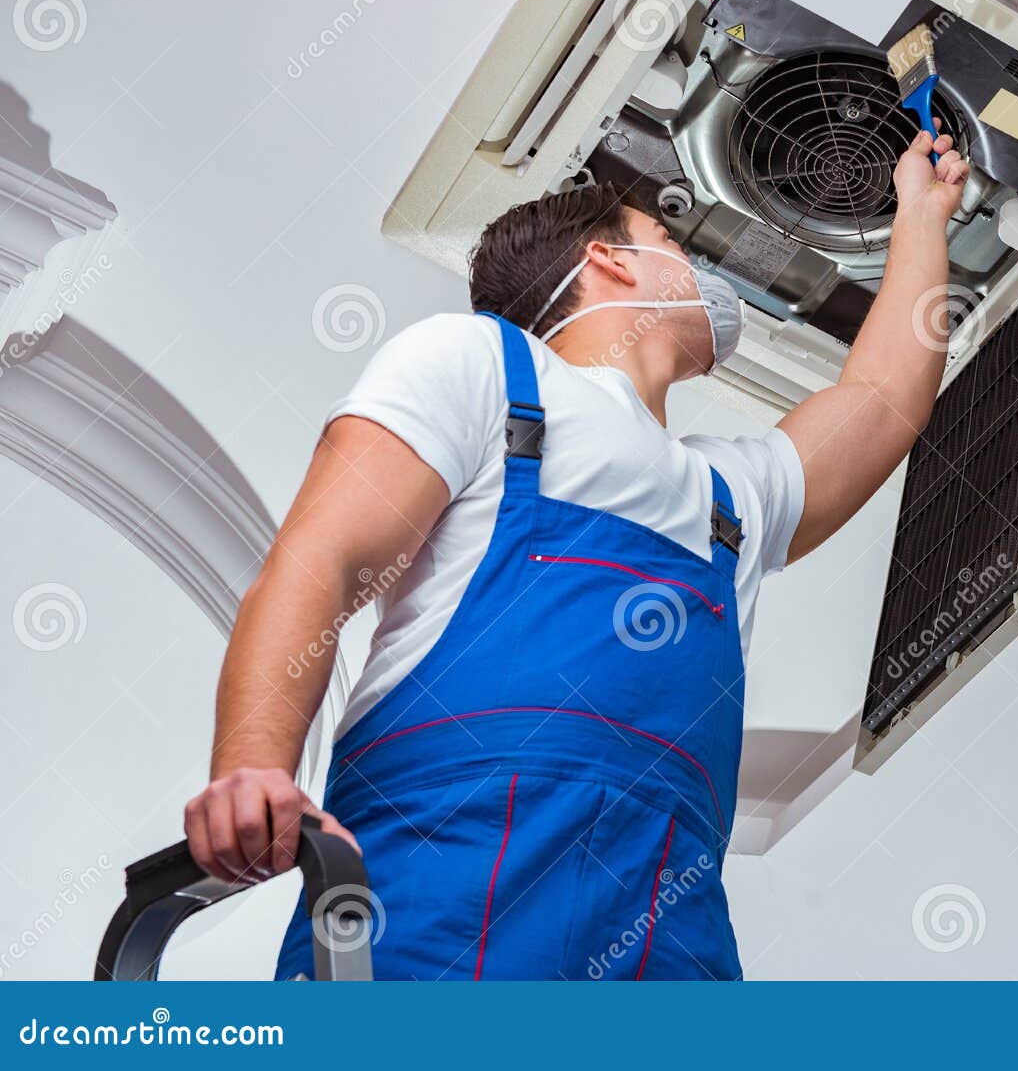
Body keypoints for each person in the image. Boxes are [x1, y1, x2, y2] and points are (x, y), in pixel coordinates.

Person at [183, 125, 970, 979]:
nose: (704, 271)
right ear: (612, 261)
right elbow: (320, 561)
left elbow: (883, 401)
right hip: (445, 877)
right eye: (670, 240)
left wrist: (922, 218)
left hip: (667, 921)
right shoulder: (483, 362)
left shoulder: (728, 497)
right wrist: (251, 770)